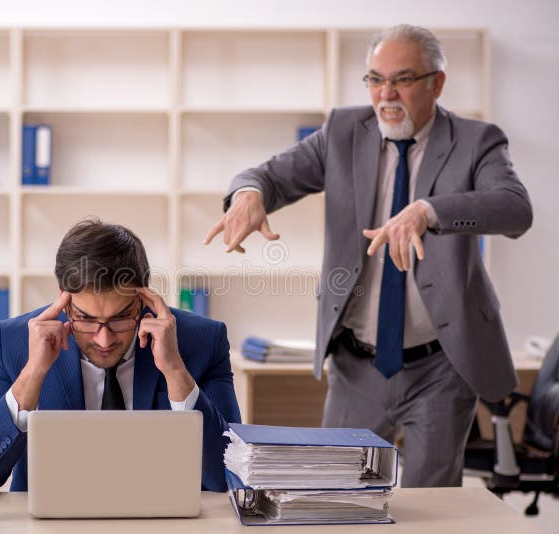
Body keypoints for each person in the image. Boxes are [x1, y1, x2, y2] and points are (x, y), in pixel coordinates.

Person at [204, 24, 532, 487]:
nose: (386, 94)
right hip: (357, 364)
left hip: (441, 365)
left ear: (436, 83)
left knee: (430, 506)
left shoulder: (476, 141)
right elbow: (271, 175)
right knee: (335, 494)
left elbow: (515, 209)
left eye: (402, 79)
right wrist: (249, 194)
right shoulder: (343, 131)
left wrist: (428, 211)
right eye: (375, 79)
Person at [0, 219, 241, 492]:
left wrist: (175, 371)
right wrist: (32, 373)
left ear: (143, 300)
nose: (103, 339)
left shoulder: (203, 341)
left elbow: (230, 475)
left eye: (120, 318)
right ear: (64, 300)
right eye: (86, 319)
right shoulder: (13, 342)